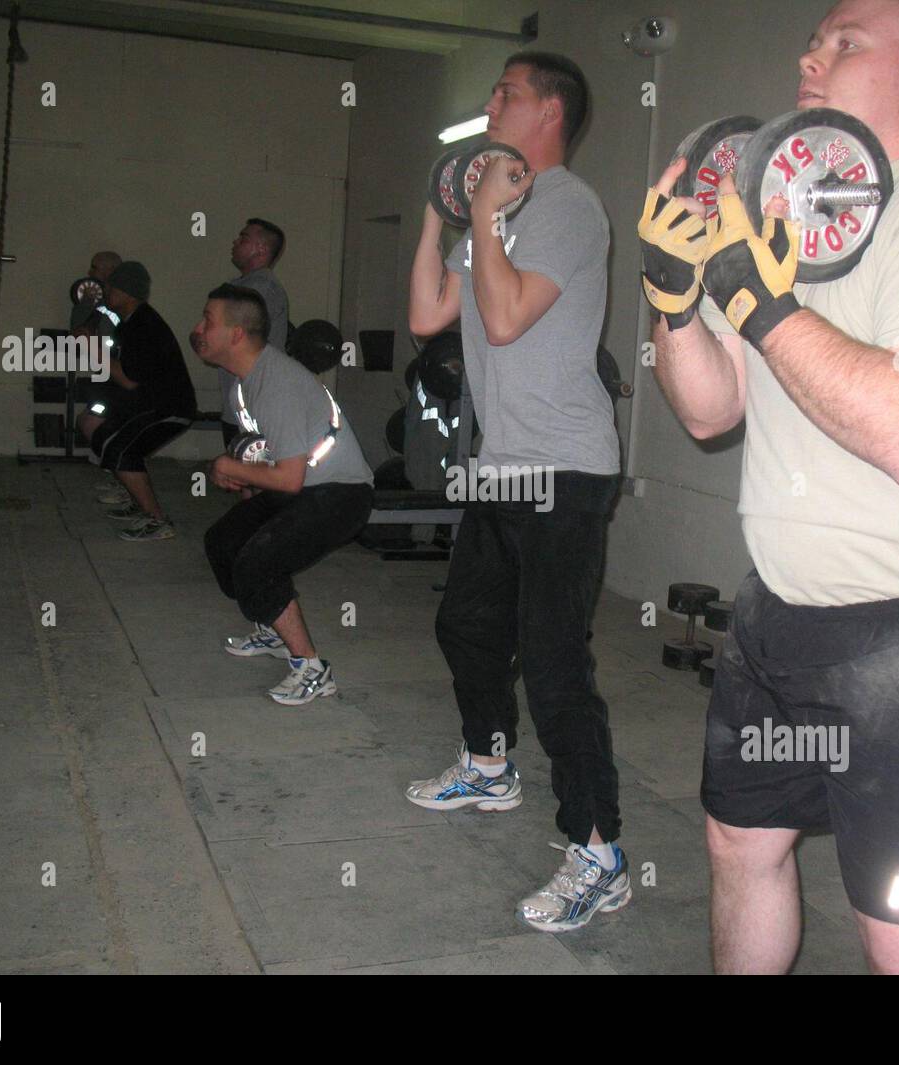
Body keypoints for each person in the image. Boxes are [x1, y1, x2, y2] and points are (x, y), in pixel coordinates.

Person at [642, 0, 899, 973]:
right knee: (740, 842)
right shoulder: (791, 225)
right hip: (779, 620)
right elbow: (707, 411)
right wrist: (675, 302)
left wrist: (763, 306)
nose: (811, 55)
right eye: (813, 39)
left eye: (846, 41)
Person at [405, 53, 629, 933]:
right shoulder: (501, 212)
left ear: (550, 112)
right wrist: (441, 209)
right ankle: (489, 765)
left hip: (567, 468)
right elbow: (432, 313)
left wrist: (490, 213)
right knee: (464, 623)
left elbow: (501, 318)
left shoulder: (567, 206)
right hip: (504, 465)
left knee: (553, 665)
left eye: (506, 92)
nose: (490, 101)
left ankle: (600, 852)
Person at [195, 285, 373, 706]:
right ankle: (273, 628)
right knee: (223, 542)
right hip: (309, 485)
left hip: (341, 494)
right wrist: (251, 479)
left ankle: (311, 668)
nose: (198, 329)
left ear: (237, 334)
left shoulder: (274, 382)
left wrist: (227, 467)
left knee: (259, 562)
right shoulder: (249, 381)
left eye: (208, 321)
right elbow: (274, 454)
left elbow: (290, 479)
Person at [76, 261, 197, 541]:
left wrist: (92, 347)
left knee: (117, 447)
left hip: (169, 408)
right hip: (147, 403)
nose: (106, 292)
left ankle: (158, 521)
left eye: (111, 287)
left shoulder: (143, 325)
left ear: (127, 292)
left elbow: (128, 379)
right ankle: (136, 499)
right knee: (95, 425)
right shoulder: (131, 322)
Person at [217, 218, 289, 447]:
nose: (235, 242)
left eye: (243, 238)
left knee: (248, 477)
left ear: (261, 249)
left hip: (252, 408)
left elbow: (227, 338)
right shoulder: (243, 286)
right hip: (237, 406)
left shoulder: (261, 291)